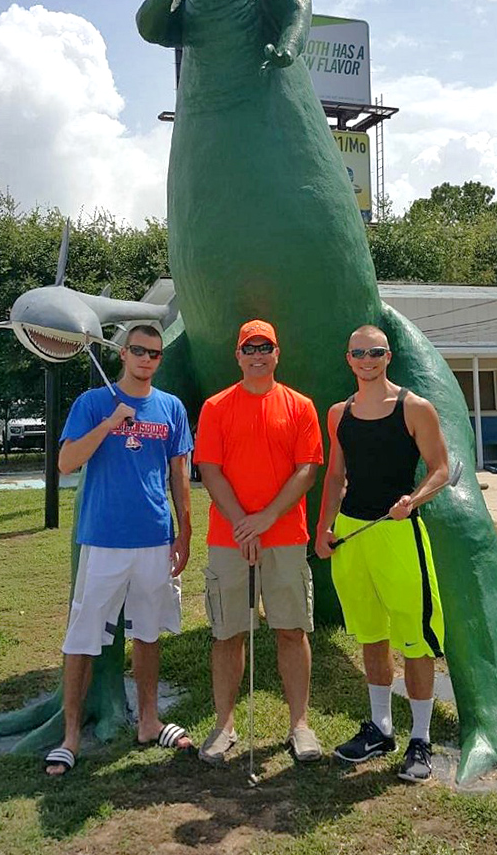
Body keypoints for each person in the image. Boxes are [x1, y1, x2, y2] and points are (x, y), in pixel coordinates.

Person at [44, 324, 194, 776]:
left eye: (155, 354)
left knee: (148, 633)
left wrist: (184, 529)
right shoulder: (92, 404)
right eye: (140, 351)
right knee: (83, 636)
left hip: (154, 539)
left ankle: (148, 721)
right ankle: (70, 736)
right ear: (123, 355)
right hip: (104, 540)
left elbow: (179, 474)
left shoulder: (171, 407)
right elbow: (66, 462)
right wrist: (110, 424)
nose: (147, 359)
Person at [315, 324, 449, 782]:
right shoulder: (339, 413)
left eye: (375, 352)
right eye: (358, 353)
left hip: (398, 533)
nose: (367, 359)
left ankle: (421, 740)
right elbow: (334, 476)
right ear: (348, 359)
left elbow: (441, 470)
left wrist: (413, 499)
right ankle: (380, 729)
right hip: (353, 534)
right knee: (371, 636)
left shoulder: (414, 408)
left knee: (414, 639)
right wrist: (323, 526)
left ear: (388, 356)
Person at [194, 319, 324, 765]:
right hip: (229, 539)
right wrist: (241, 524)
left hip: (285, 537)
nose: (257, 355)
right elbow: (209, 469)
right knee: (228, 633)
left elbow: (307, 469)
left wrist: (264, 520)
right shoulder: (215, 406)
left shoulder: (301, 406)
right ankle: (223, 726)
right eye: (249, 348)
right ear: (238, 355)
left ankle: (299, 725)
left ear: (276, 353)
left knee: (291, 629)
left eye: (265, 347)